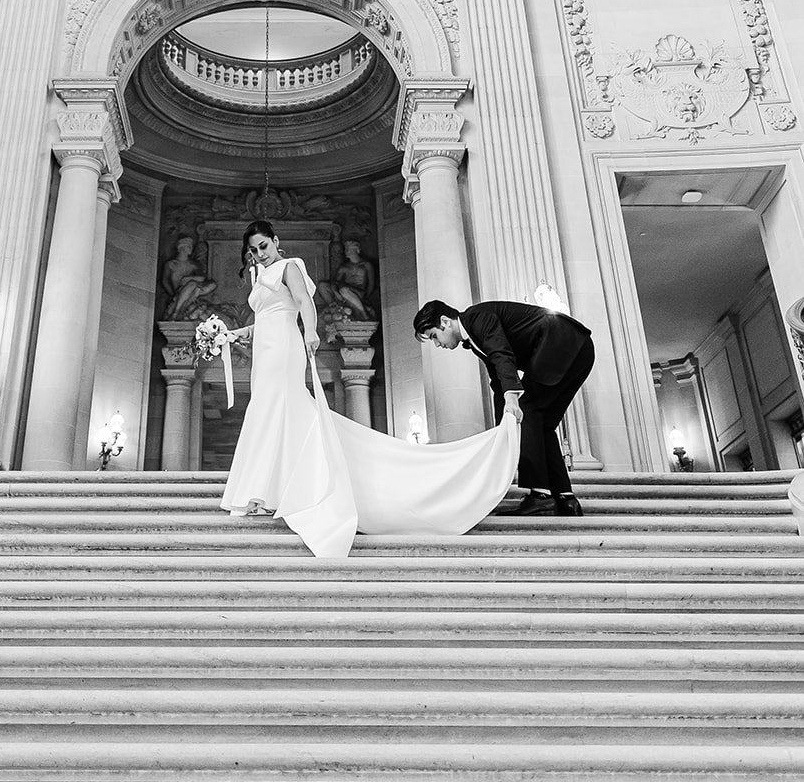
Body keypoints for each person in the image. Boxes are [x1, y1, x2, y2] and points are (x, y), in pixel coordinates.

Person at [220, 221, 519, 557]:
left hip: (284, 347)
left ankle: (269, 492)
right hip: (264, 348)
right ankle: (270, 490)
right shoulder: (259, 276)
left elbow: (303, 302)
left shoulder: (289, 266)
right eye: (254, 250)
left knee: (277, 405)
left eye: (263, 246)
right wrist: (234, 333)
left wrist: (311, 332)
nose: (260, 254)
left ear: (275, 241)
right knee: (268, 408)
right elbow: (265, 317)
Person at [414, 297, 595, 517]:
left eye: (434, 336)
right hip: (578, 348)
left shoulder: (477, 318)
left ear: (445, 321)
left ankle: (540, 496)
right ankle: (566, 498)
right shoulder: (474, 335)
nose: (437, 344)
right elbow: (498, 380)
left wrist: (512, 400)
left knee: (527, 410)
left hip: (561, 344)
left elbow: (502, 355)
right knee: (542, 424)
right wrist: (502, 424)